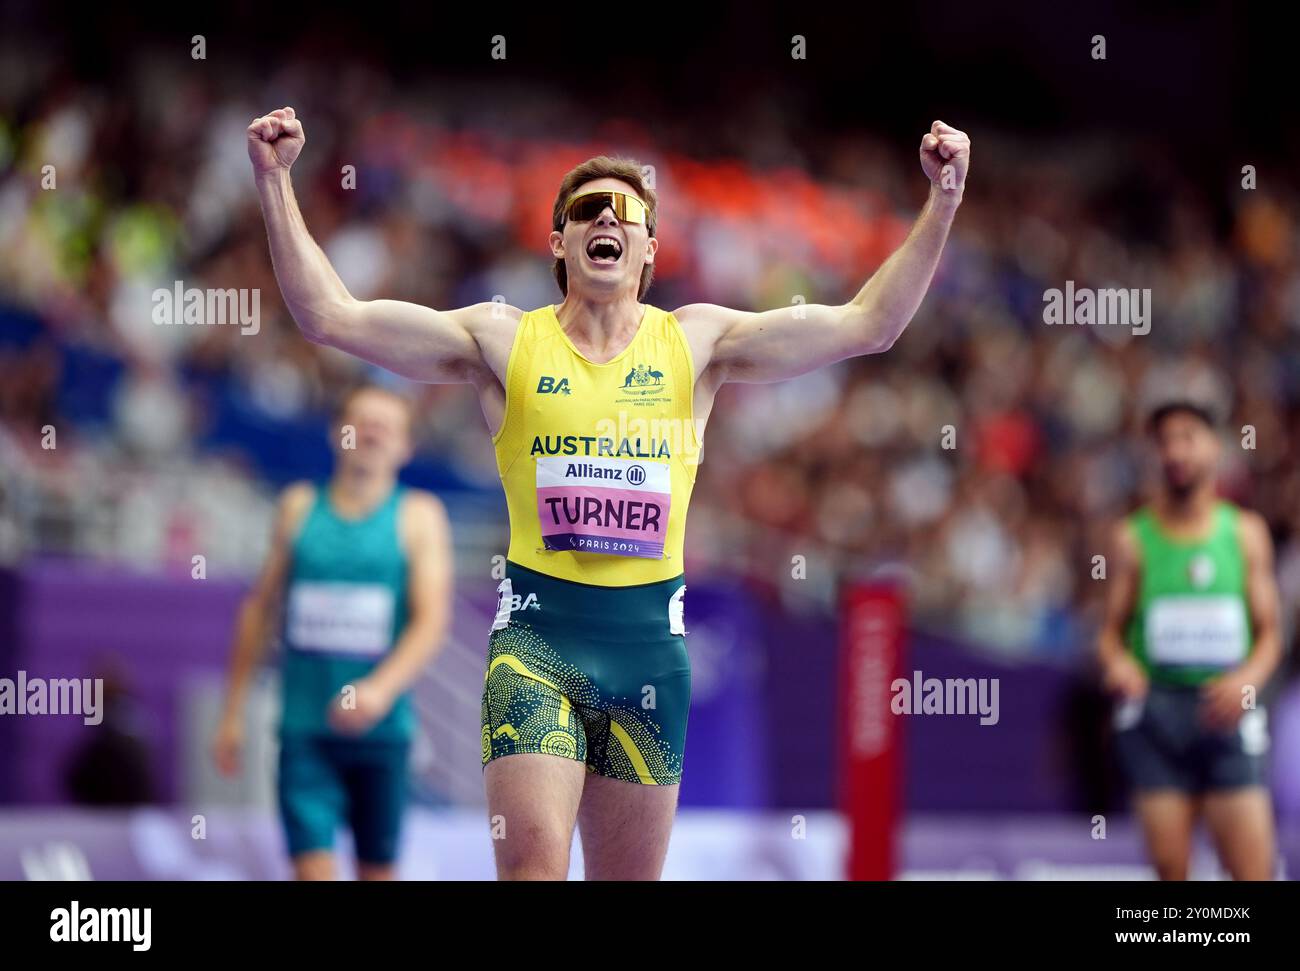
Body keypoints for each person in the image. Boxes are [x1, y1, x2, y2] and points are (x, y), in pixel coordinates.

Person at [246, 105, 970, 879]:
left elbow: (871, 324)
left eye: (627, 215)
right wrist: (275, 180)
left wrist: (944, 201)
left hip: (649, 661)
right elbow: (328, 315)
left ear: (650, 250)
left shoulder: (697, 343)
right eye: (587, 210)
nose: (607, 221)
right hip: (536, 649)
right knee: (533, 866)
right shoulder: (503, 340)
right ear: (558, 241)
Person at [213, 384, 452, 880]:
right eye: (362, 424)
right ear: (336, 434)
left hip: (381, 735)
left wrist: (378, 690)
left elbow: (432, 620)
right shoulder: (298, 506)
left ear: (406, 446)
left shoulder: (419, 516)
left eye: (386, 428)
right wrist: (233, 711)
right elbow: (259, 609)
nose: (372, 435)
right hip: (306, 731)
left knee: (377, 872)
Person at [1097, 400, 1281, 880]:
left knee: (1252, 873)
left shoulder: (1244, 534)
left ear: (1214, 448)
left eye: (1187, 437)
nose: (1175, 451)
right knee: (1171, 877)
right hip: (1158, 718)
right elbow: (1109, 636)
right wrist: (1119, 664)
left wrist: (1247, 681)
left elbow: (1271, 636)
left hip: (1227, 715)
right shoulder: (1132, 539)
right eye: (1164, 441)